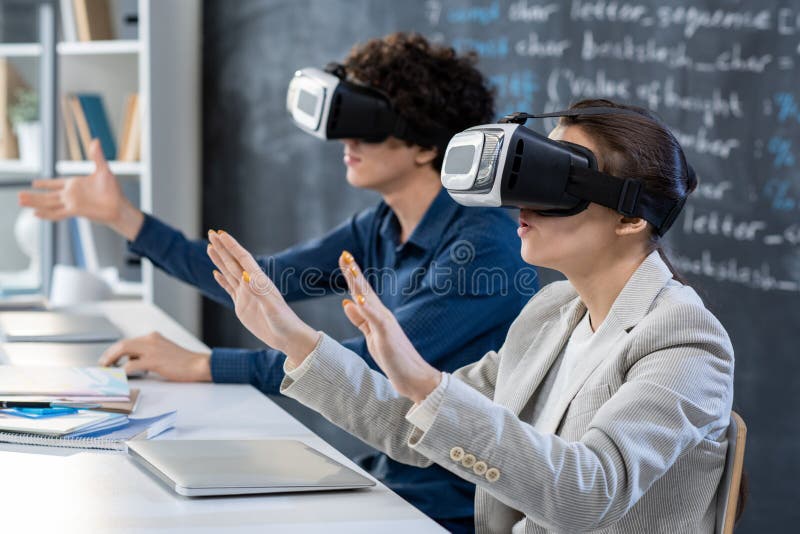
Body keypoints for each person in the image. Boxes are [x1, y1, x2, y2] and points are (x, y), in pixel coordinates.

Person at [19, 33, 535, 531]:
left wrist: (204, 364)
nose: (345, 140)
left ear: (425, 146)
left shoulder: (482, 246)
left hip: (450, 503)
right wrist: (125, 218)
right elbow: (254, 280)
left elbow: (367, 365)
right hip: (392, 475)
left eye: (364, 123)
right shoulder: (382, 225)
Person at [203, 99, 735, 533]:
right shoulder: (551, 313)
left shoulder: (683, 341)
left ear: (629, 218)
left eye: (558, 180)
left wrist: (425, 382)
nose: (521, 202)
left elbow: (587, 494)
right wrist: (294, 339)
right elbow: (412, 425)